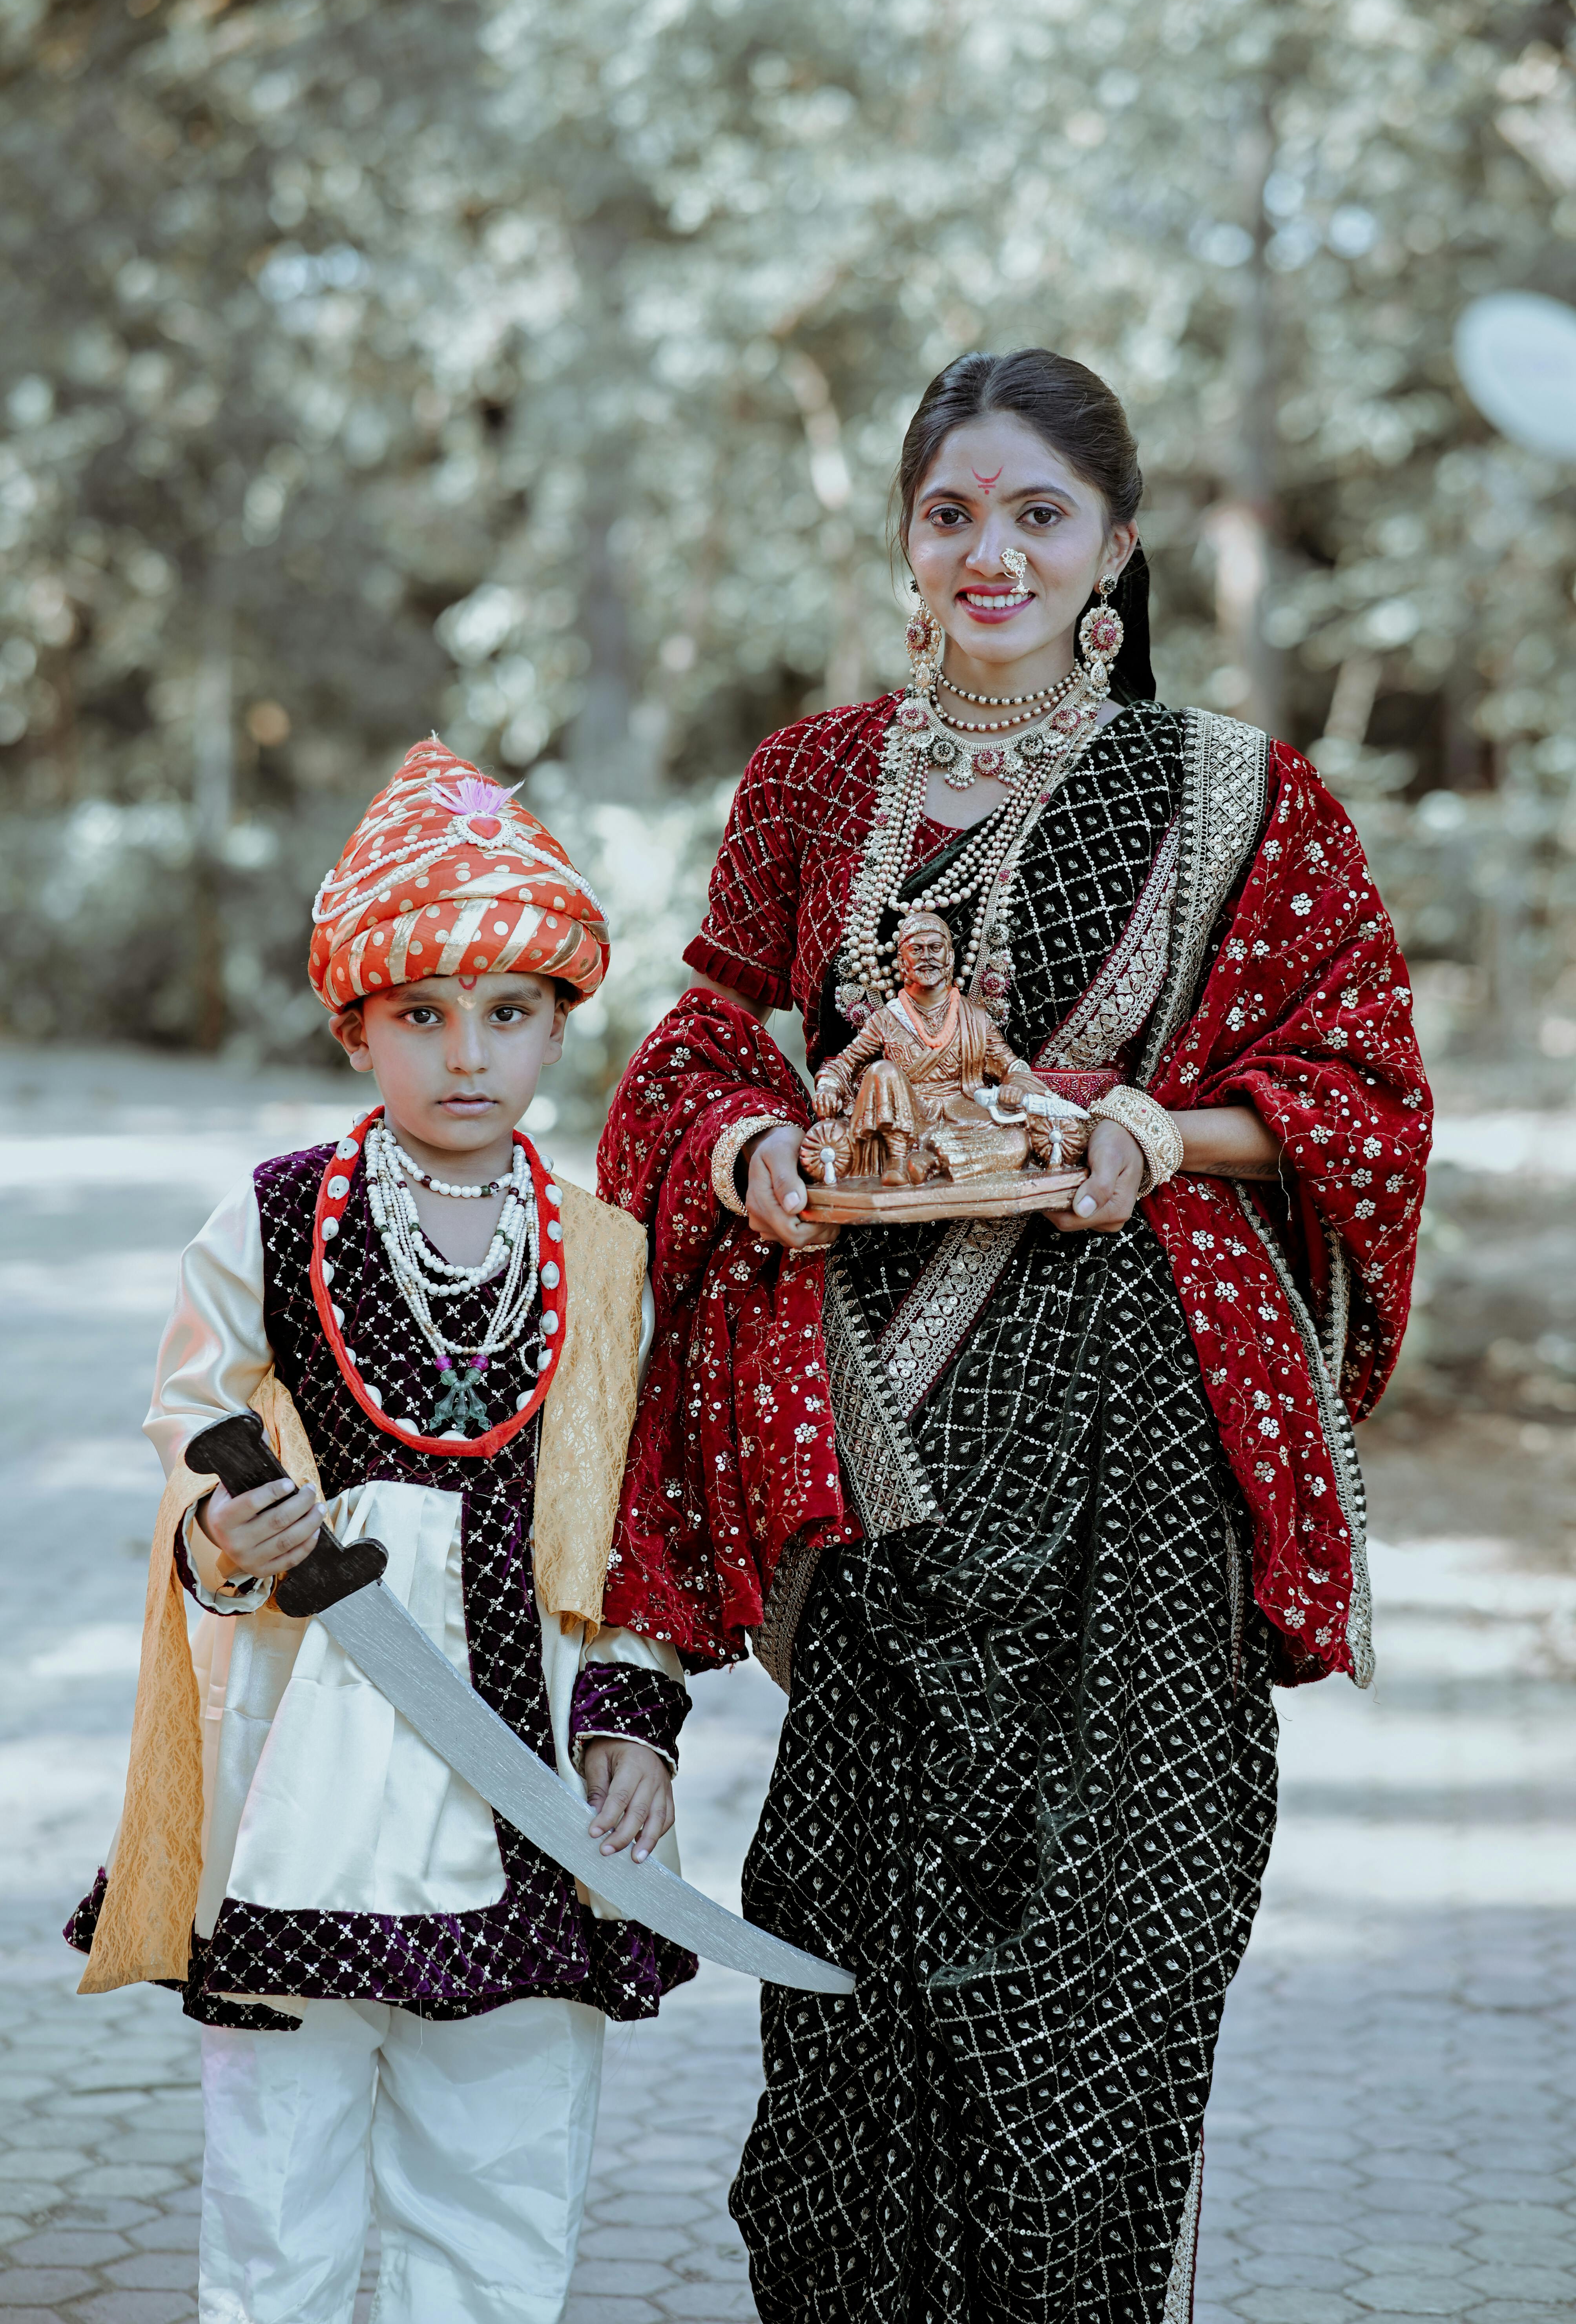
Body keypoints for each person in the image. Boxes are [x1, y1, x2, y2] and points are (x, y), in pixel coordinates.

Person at [595, 348, 1432, 2321]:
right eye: (952, 513)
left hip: (1137, 1481)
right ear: (905, 540)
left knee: (1103, 2000)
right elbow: (693, 1050)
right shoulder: (809, 783)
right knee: (850, 2009)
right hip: (883, 1467)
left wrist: (1155, 1127)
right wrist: (746, 1155)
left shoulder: (1233, 793)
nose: (993, 553)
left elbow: (1366, 1087)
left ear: (1116, 544)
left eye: (1038, 513)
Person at [67, 738, 693, 2324]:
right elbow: (192, 1425)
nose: (465, 1053)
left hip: (531, 1772)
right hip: (308, 1761)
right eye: (420, 1013)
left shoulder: (603, 1253)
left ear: (562, 1022)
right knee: (276, 2195)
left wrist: (634, 1722)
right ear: (355, 1023)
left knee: (501, 2186)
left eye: (509, 1012)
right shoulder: (273, 1218)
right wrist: (233, 1519)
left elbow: (638, 1510)